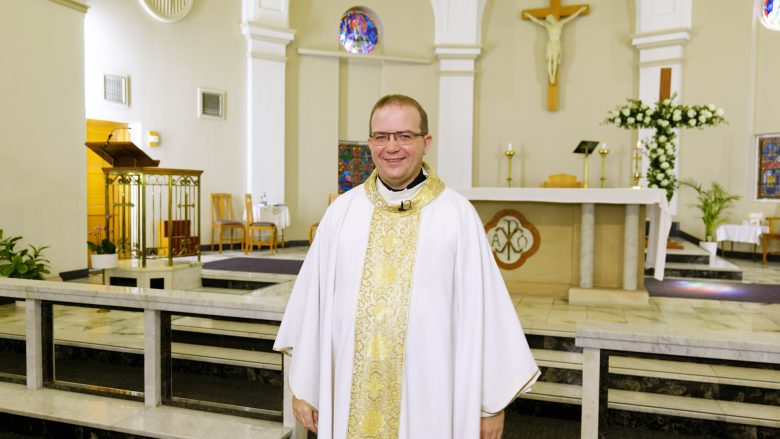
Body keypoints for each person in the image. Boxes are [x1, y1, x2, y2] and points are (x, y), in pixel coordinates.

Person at [274, 94, 539, 439]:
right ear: (370, 142)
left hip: (430, 397)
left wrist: (489, 405)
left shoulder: (457, 216)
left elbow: (485, 314)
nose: (392, 147)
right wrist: (306, 385)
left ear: (426, 142)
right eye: (381, 137)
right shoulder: (341, 213)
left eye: (404, 136)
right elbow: (313, 304)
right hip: (349, 389)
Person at [524, 6, 587, 85]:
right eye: (548, 20)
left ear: (552, 18)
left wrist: (579, 10)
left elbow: (571, 17)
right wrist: (529, 16)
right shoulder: (548, 26)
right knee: (549, 60)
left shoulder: (560, 24)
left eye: (549, 19)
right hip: (550, 44)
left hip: (556, 43)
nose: (548, 21)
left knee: (555, 60)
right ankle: (551, 76)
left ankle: (553, 75)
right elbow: (537, 21)